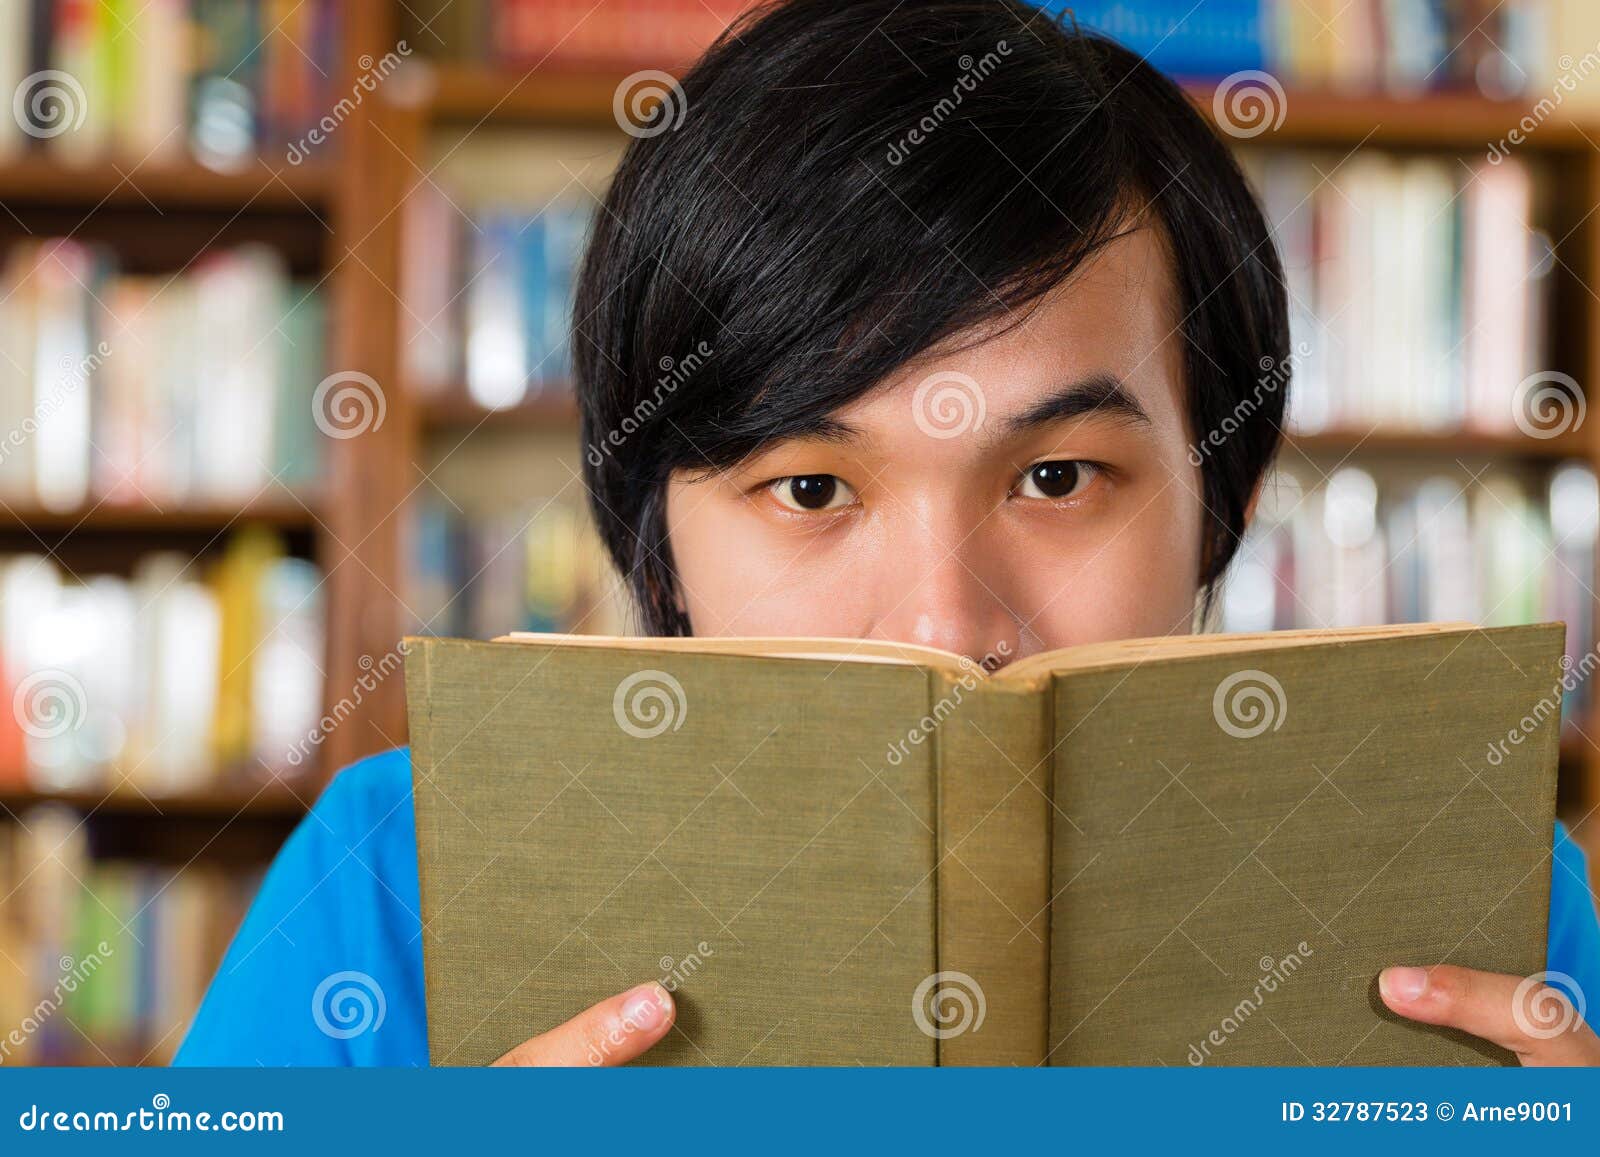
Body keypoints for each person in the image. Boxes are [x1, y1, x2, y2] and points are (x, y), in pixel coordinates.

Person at [175, 0, 1600, 1066]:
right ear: (656, 537)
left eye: (1058, 479)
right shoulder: (385, 878)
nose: (943, 622)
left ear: (1219, 496)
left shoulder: (1489, 888)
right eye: (809, 488)